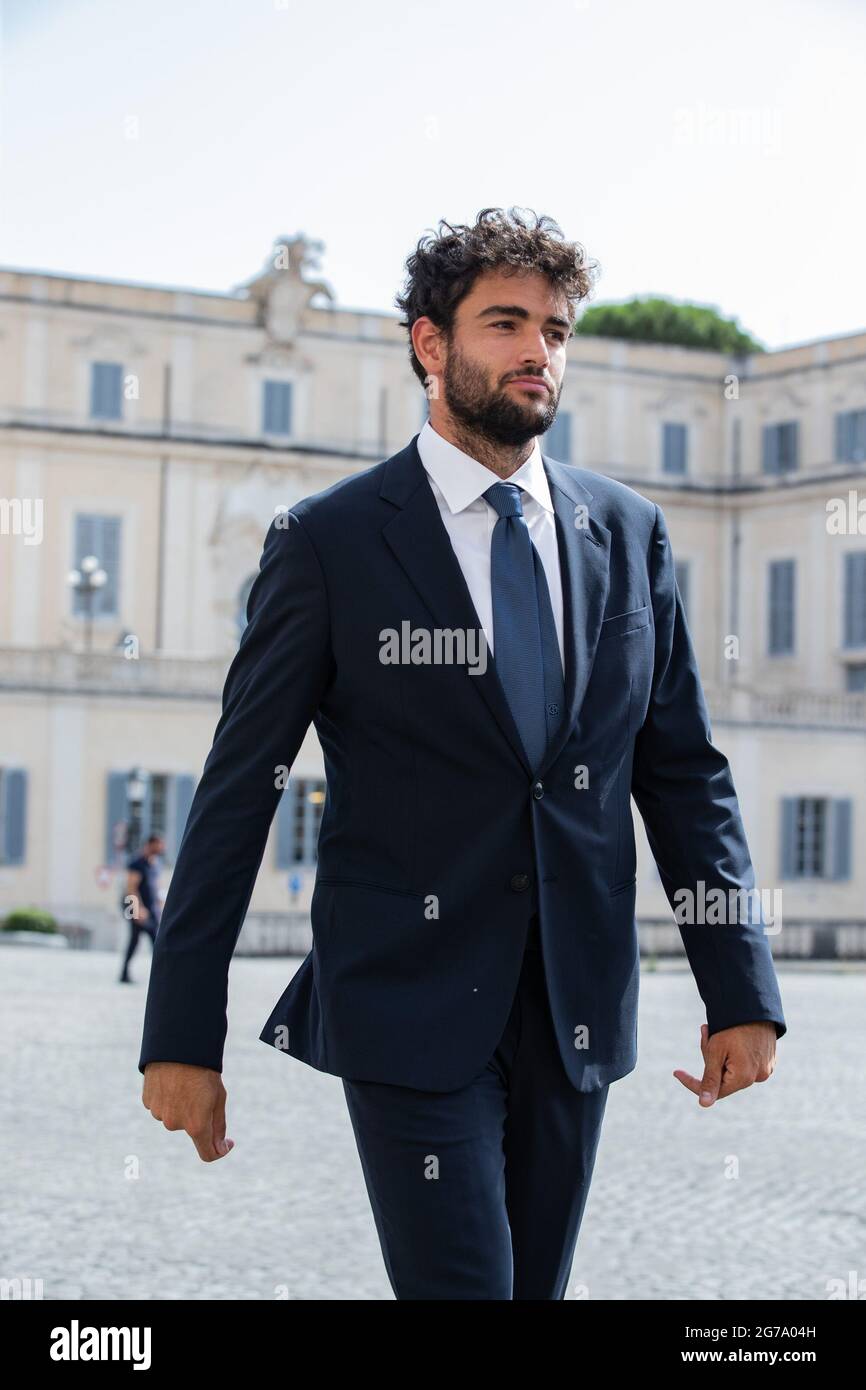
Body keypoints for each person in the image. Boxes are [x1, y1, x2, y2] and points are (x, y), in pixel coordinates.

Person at [138, 208, 786, 1300]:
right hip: (408, 1008)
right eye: (505, 323)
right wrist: (180, 1035)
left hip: (575, 1009)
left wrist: (740, 987)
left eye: (555, 328)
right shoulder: (331, 542)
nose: (538, 351)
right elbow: (240, 787)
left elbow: (681, 773)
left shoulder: (627, 534)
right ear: (428, 344)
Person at [119, 833, 164, 983]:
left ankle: (127, 974)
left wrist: (159, 904)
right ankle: (126, 973)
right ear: (150, 844)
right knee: (143, 940)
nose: (161, 848)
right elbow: (131, 888)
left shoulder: (156, 864)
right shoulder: (137, 863)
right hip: (136, 908)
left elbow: (155, 887)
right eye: (158, 844)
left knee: (149, 940)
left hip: (151, 909)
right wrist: (137, 909)